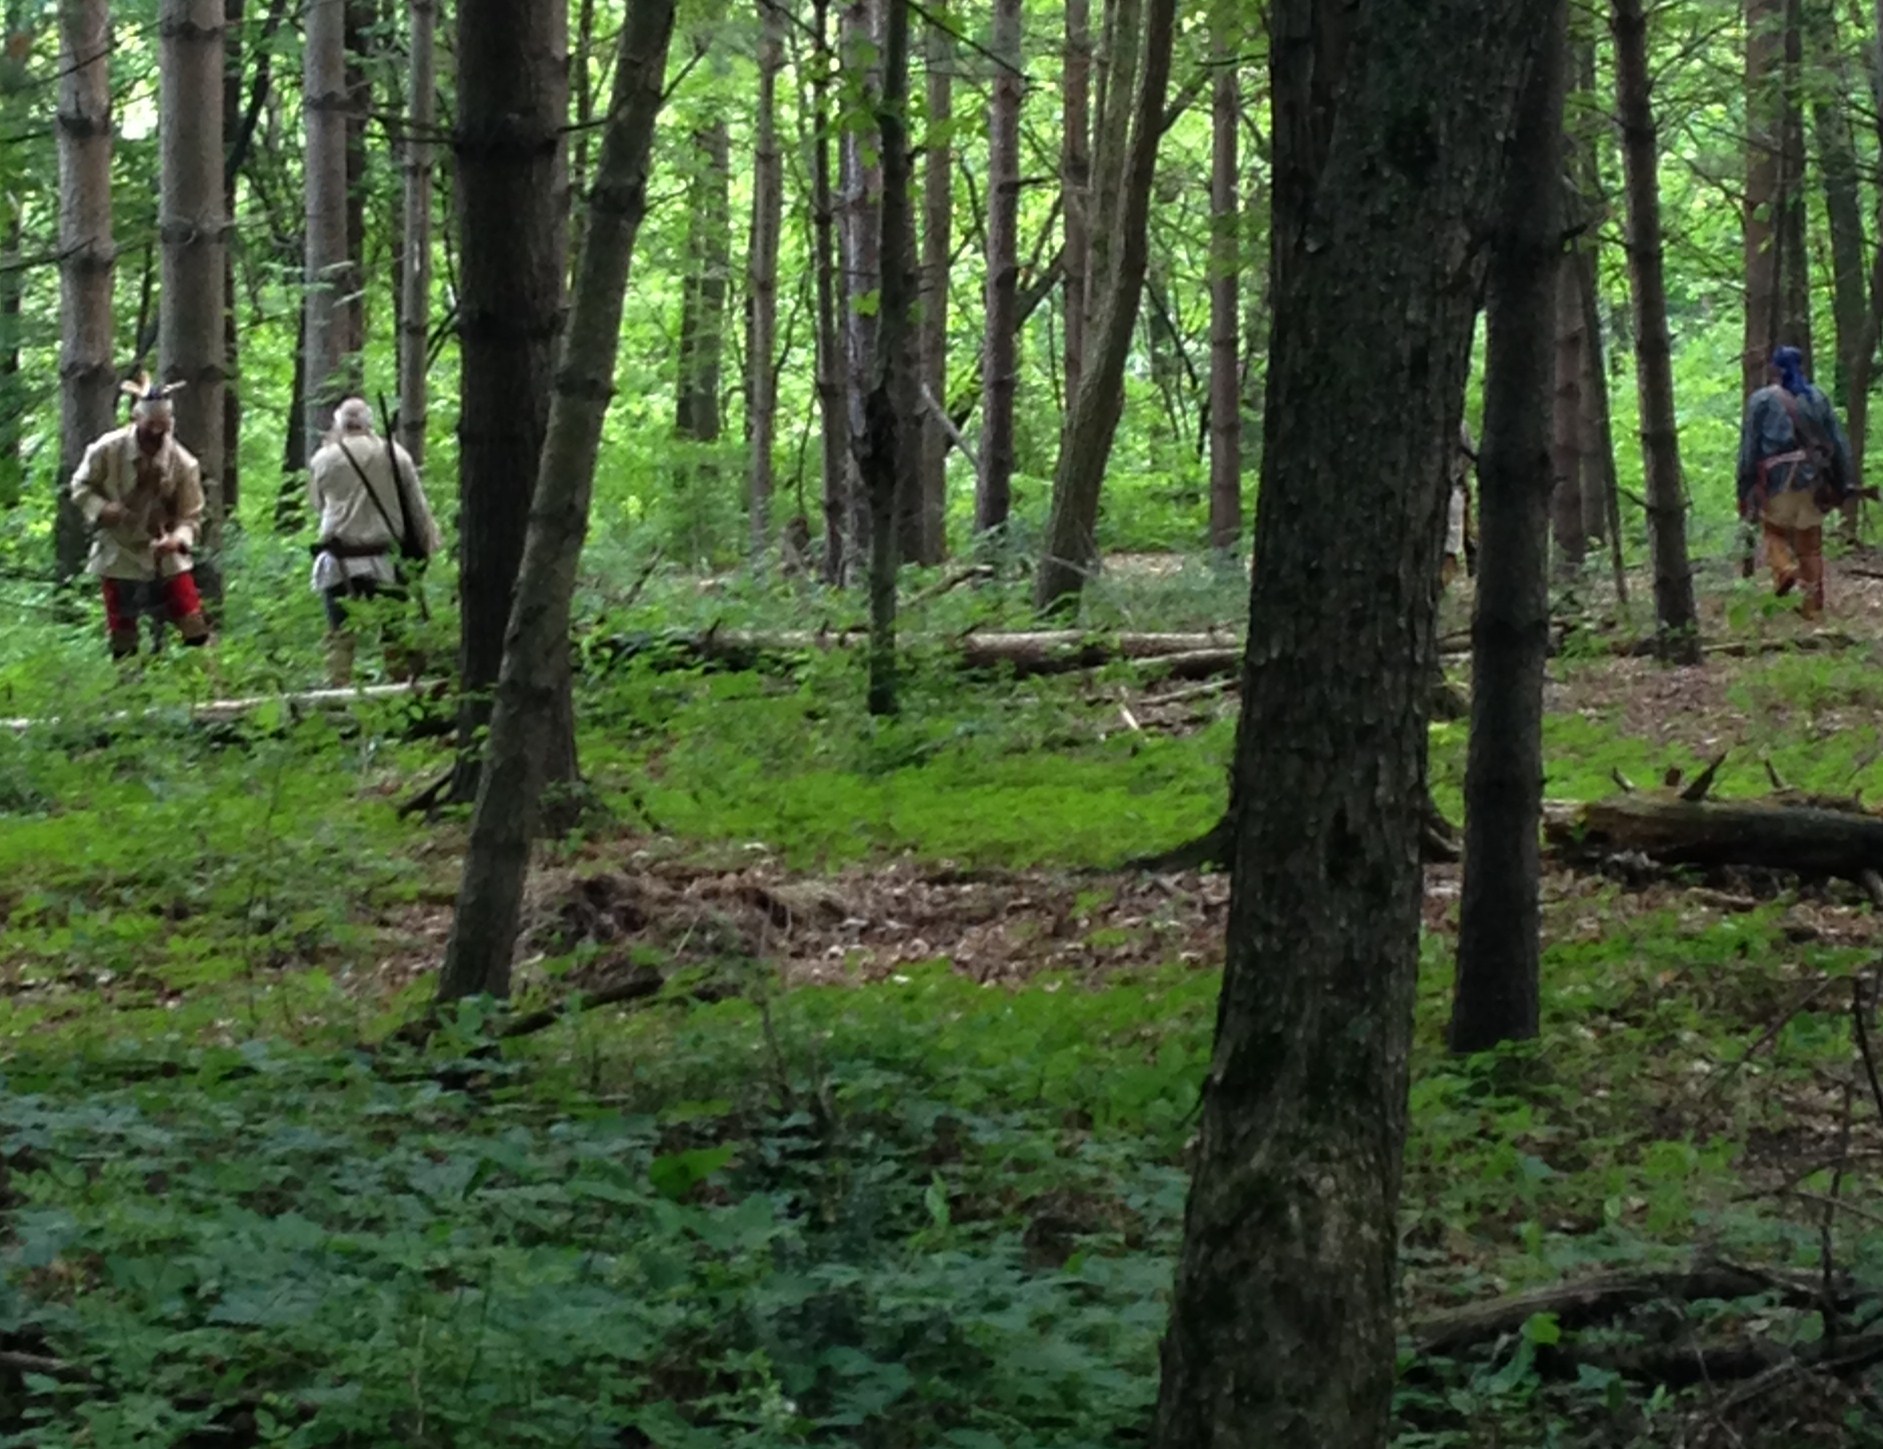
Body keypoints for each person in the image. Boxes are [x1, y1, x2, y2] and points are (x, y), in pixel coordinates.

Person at [69, 376, 211, 659]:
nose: (157, 431)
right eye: (151, 425)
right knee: (122, 629)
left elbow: (190, 515)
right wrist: (102, 509)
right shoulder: (106, 450)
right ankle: (128, 688)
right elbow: (80, 487)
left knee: (193, 620)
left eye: (163, 424)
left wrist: (176, 540)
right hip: (118, 552)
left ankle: (202, 680)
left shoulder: (184, 463)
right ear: (135, 418)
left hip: (164, 556)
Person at [307, 397, 441, 685]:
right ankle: (401, 695)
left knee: (339, 636)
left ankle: (335, 699)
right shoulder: (396, 455)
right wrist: (426, 548)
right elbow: (417, 508)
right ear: (369, 423)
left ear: (339, 423)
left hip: (339, 560)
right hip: (386, 561)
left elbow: (318, 505)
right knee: (394, 633)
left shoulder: (323, 459)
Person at [1737, 345, 1854, 621]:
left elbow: (1749, 449)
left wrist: (1744, 489)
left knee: (1773, 532)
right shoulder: (1817, 397)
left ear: (1775, 369)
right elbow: (1838, 443)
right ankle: (1813, 607)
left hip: (1777, 482)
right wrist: (1844, 483)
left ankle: (1786, 569)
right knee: (1811, 545)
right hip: (1815, 482)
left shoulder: (1761, 400)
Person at [1442, 420, 1477, 590]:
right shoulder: (1460, 424)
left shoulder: (1459, 425)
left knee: (1450, 549)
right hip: (1453, 490)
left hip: (1452, 491)